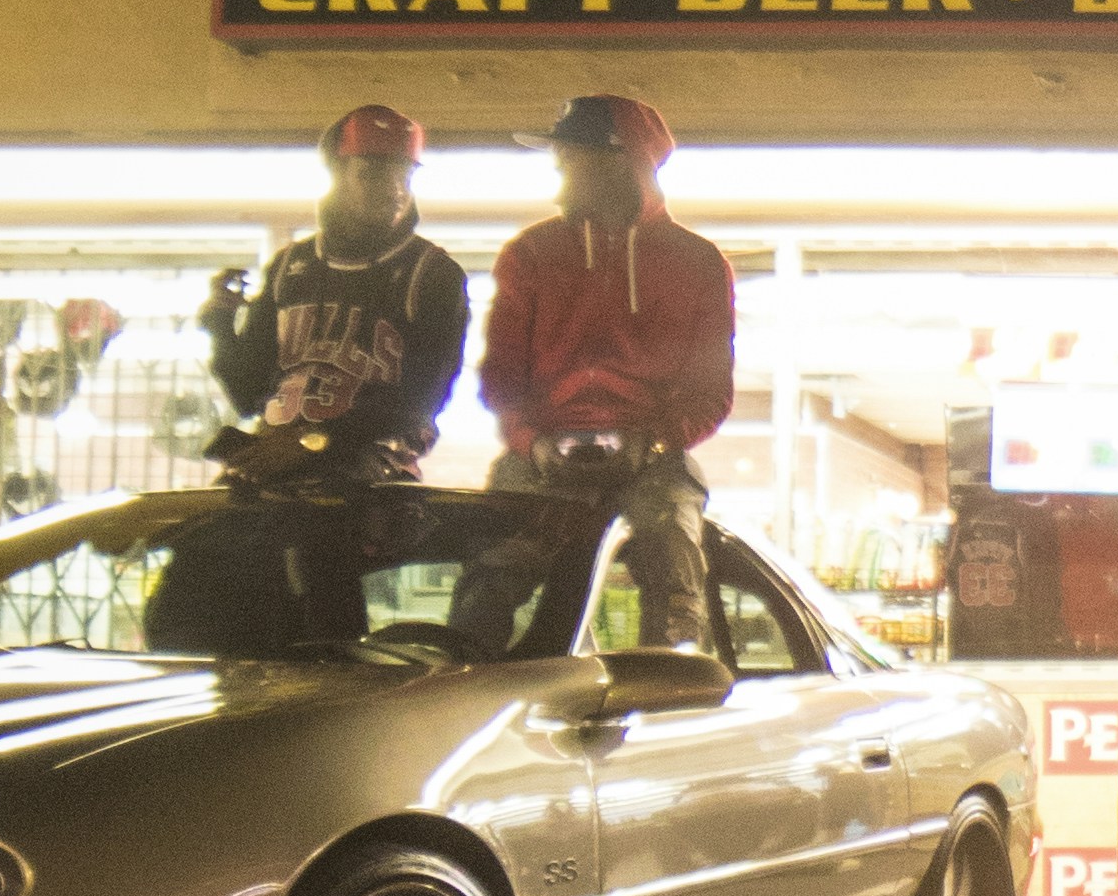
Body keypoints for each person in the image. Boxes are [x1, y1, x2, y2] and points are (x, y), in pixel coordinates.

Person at [476, 92, 736, 652]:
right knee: (486, 581)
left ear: (618, 160)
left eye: (571, 159)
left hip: (652, 459)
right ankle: (459, 703)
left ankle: (670, 707)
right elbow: (500, 380)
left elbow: (710, 391)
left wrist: (658, 441)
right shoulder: (530, 253)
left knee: (674, 580)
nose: (559, 173)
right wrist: (531, 442)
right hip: (541, 455)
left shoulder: (698, 263)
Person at [208, 106, 470, 485]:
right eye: (373, 173)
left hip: (375, 469)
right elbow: (248, 395)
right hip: (277, 457)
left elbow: (421, 401)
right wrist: (220, 322)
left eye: (405, 173)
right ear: (336, 173)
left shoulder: (432, 274)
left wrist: (313, 443)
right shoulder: (289, 266)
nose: (395, 189)